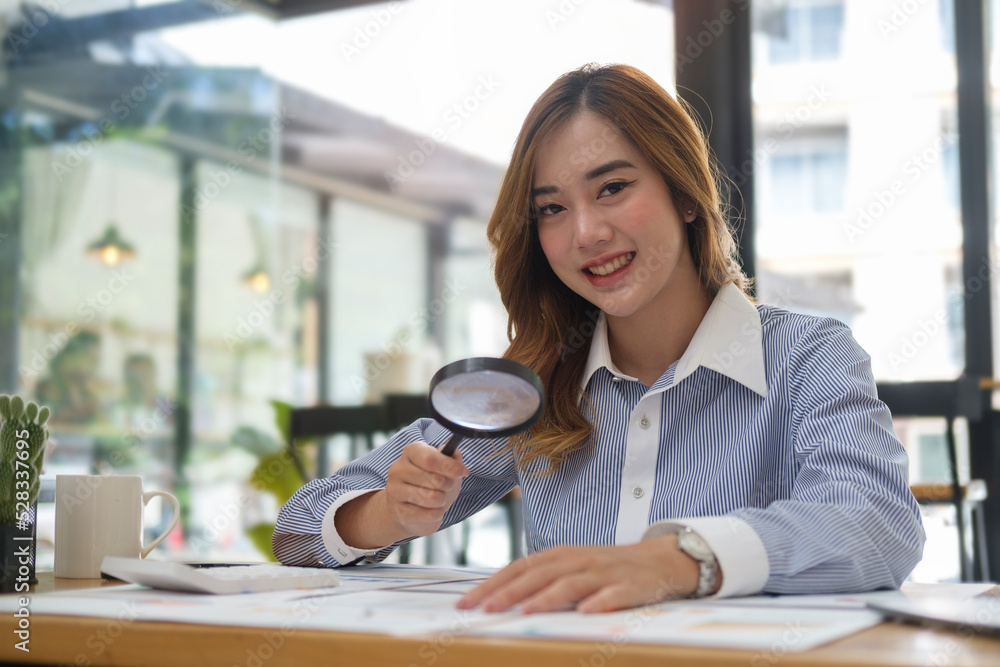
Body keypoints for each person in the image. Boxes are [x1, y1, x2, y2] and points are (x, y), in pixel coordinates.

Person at [273, 63, 925, 613]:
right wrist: (391, 511)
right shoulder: (533, 384)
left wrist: (674, 560)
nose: (584, 232)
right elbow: (298, 528)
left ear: (686, 194)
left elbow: (877, 522)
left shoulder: (808, 358)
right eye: (551, 208)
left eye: (612, 187)